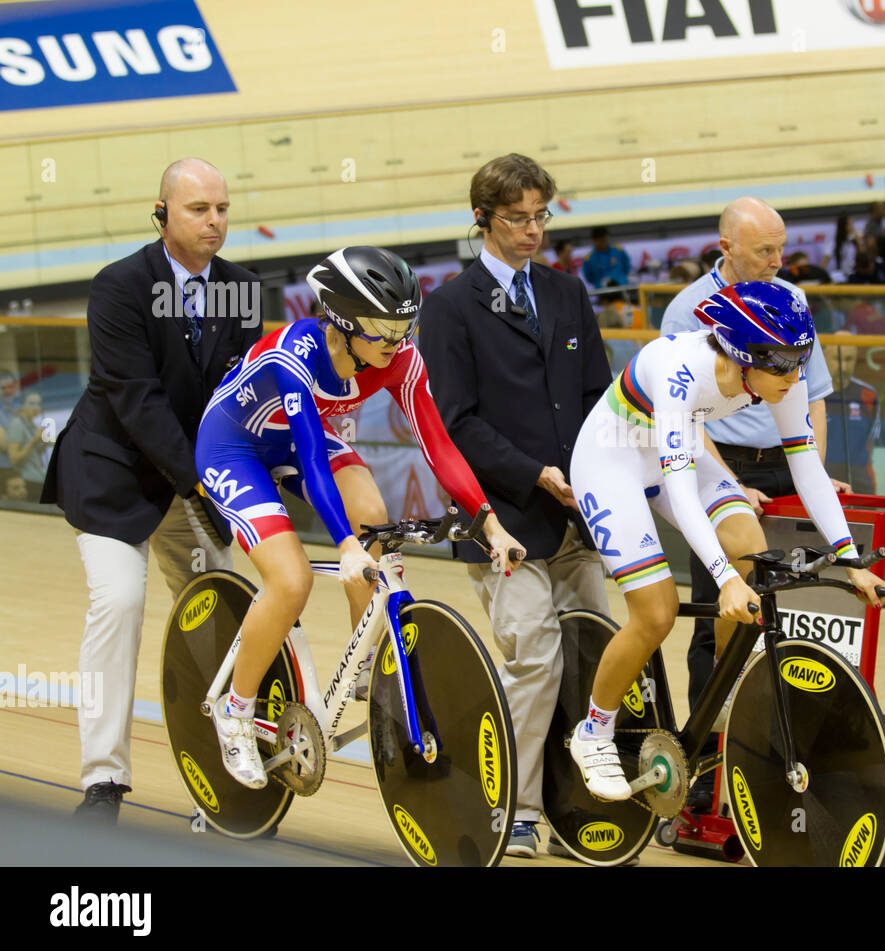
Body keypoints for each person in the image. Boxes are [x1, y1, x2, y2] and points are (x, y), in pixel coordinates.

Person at [196, 245, 523, 789]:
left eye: (405, 326)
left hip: (293, 438)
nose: (399, 341)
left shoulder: (398, 357)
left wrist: (490, 524)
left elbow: (438, 445)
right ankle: (236, 708)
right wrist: (345, 544)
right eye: (385, 330)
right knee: (292, 580)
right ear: (344, 322)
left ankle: (364, 663)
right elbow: (311, 459)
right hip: (235, 448)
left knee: (374, 514)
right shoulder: (295, 356)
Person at [566, 282, 885, 801]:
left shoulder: (780, 372)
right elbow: (679, 490)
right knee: (656, 612)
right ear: (744, 355)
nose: (795, 377)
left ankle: (725, 683)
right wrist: (722, 579)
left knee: (748, 545)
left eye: (801, 362)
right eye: (783, 366)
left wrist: (850, 559)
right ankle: (594, 731)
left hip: (676, 451)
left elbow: (808, 468)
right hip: (613, 462)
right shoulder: (679, 368)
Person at [40, 158, 263, 822]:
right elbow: (136, 400)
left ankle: (225, 784)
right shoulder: (120, 286)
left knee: (221, 622)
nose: (215, 221)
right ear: (162, 213)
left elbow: (243, 394)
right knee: (120, 602)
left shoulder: (242, 288)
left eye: (222, 209)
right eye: (199, 209)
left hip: (192, 481)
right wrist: (204, 481)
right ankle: (103, 781)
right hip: (116, 475)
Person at [421, 153, 613, 860]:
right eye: (517, 219)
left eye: (541, 216)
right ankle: (518, 808)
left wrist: (596, 470)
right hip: (503, 518)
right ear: (481, 219)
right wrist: (535, 474)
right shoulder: (448, 308)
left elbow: (596, 395)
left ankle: (581, 802)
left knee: (593, 659)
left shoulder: (566, 291)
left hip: (577, 516)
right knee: (535, 658)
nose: (533, 230)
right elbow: (456, 422)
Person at [657, 196, 849, 810]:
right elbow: (685, 416)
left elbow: (811, 396)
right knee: (721, 613)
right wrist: (727, 482)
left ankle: (773, 756)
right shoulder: (688, 310)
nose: (777, 260)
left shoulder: (790, 299)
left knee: (792, 612)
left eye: (781, 248)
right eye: (765, 250)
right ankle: (704, 769)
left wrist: (814, 473)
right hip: (722, 462)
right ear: (727, 249)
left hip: (785, 458)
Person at [6, 390, 48, 499]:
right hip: (28, 481)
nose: (36, 407)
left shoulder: (33, 426)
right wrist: (34, 441)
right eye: (31, 403)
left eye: (38, 404)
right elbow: (14, 459)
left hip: (39, 478)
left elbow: (35, 453)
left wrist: (42, 444)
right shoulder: (17, 424)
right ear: (23, 405)